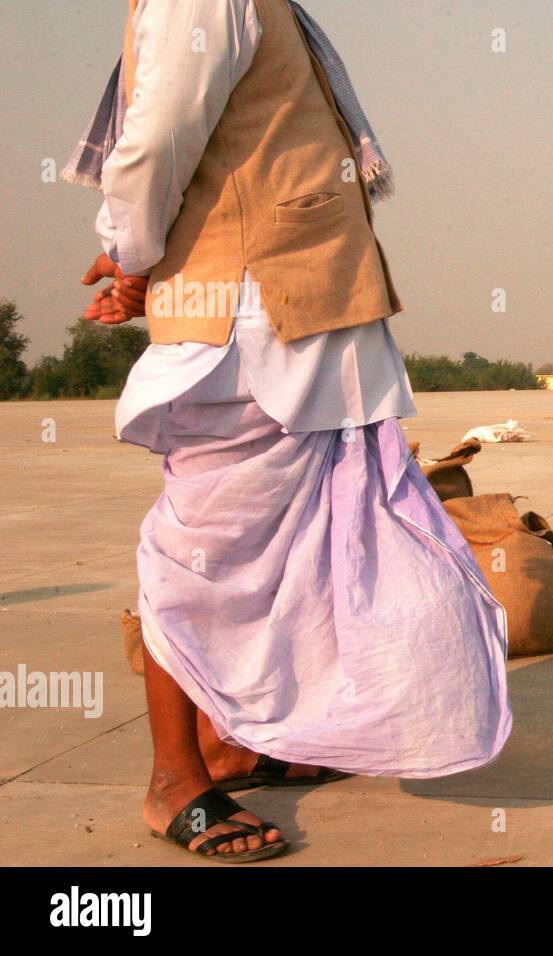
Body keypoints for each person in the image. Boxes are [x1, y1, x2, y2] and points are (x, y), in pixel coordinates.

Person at [68, 0, 510, 862]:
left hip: (297, 312)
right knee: (205, 550)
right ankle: (174, 779)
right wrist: (130, 253)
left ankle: (234, 744)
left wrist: (135, 258)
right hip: (243, 318)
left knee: (286, 552)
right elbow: (157, 140)